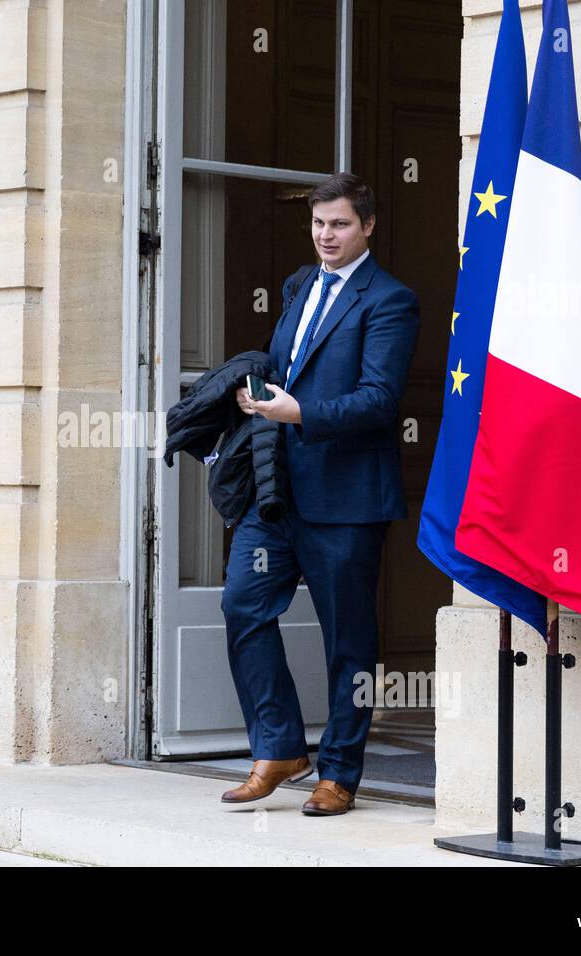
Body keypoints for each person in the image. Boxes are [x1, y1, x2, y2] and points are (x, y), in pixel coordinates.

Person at [221, 172, 421, 815]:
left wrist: (298, 413)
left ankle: (340, 772)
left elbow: (379, 400)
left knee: (348, 642)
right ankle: (278, 746)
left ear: (367, 227)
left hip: (348, 498)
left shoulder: (390, 300)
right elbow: (285, 368)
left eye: (339, 224)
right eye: (317, 223)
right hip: (276, 491)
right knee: (242, 605)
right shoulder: (298, 286)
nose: (326, 235)